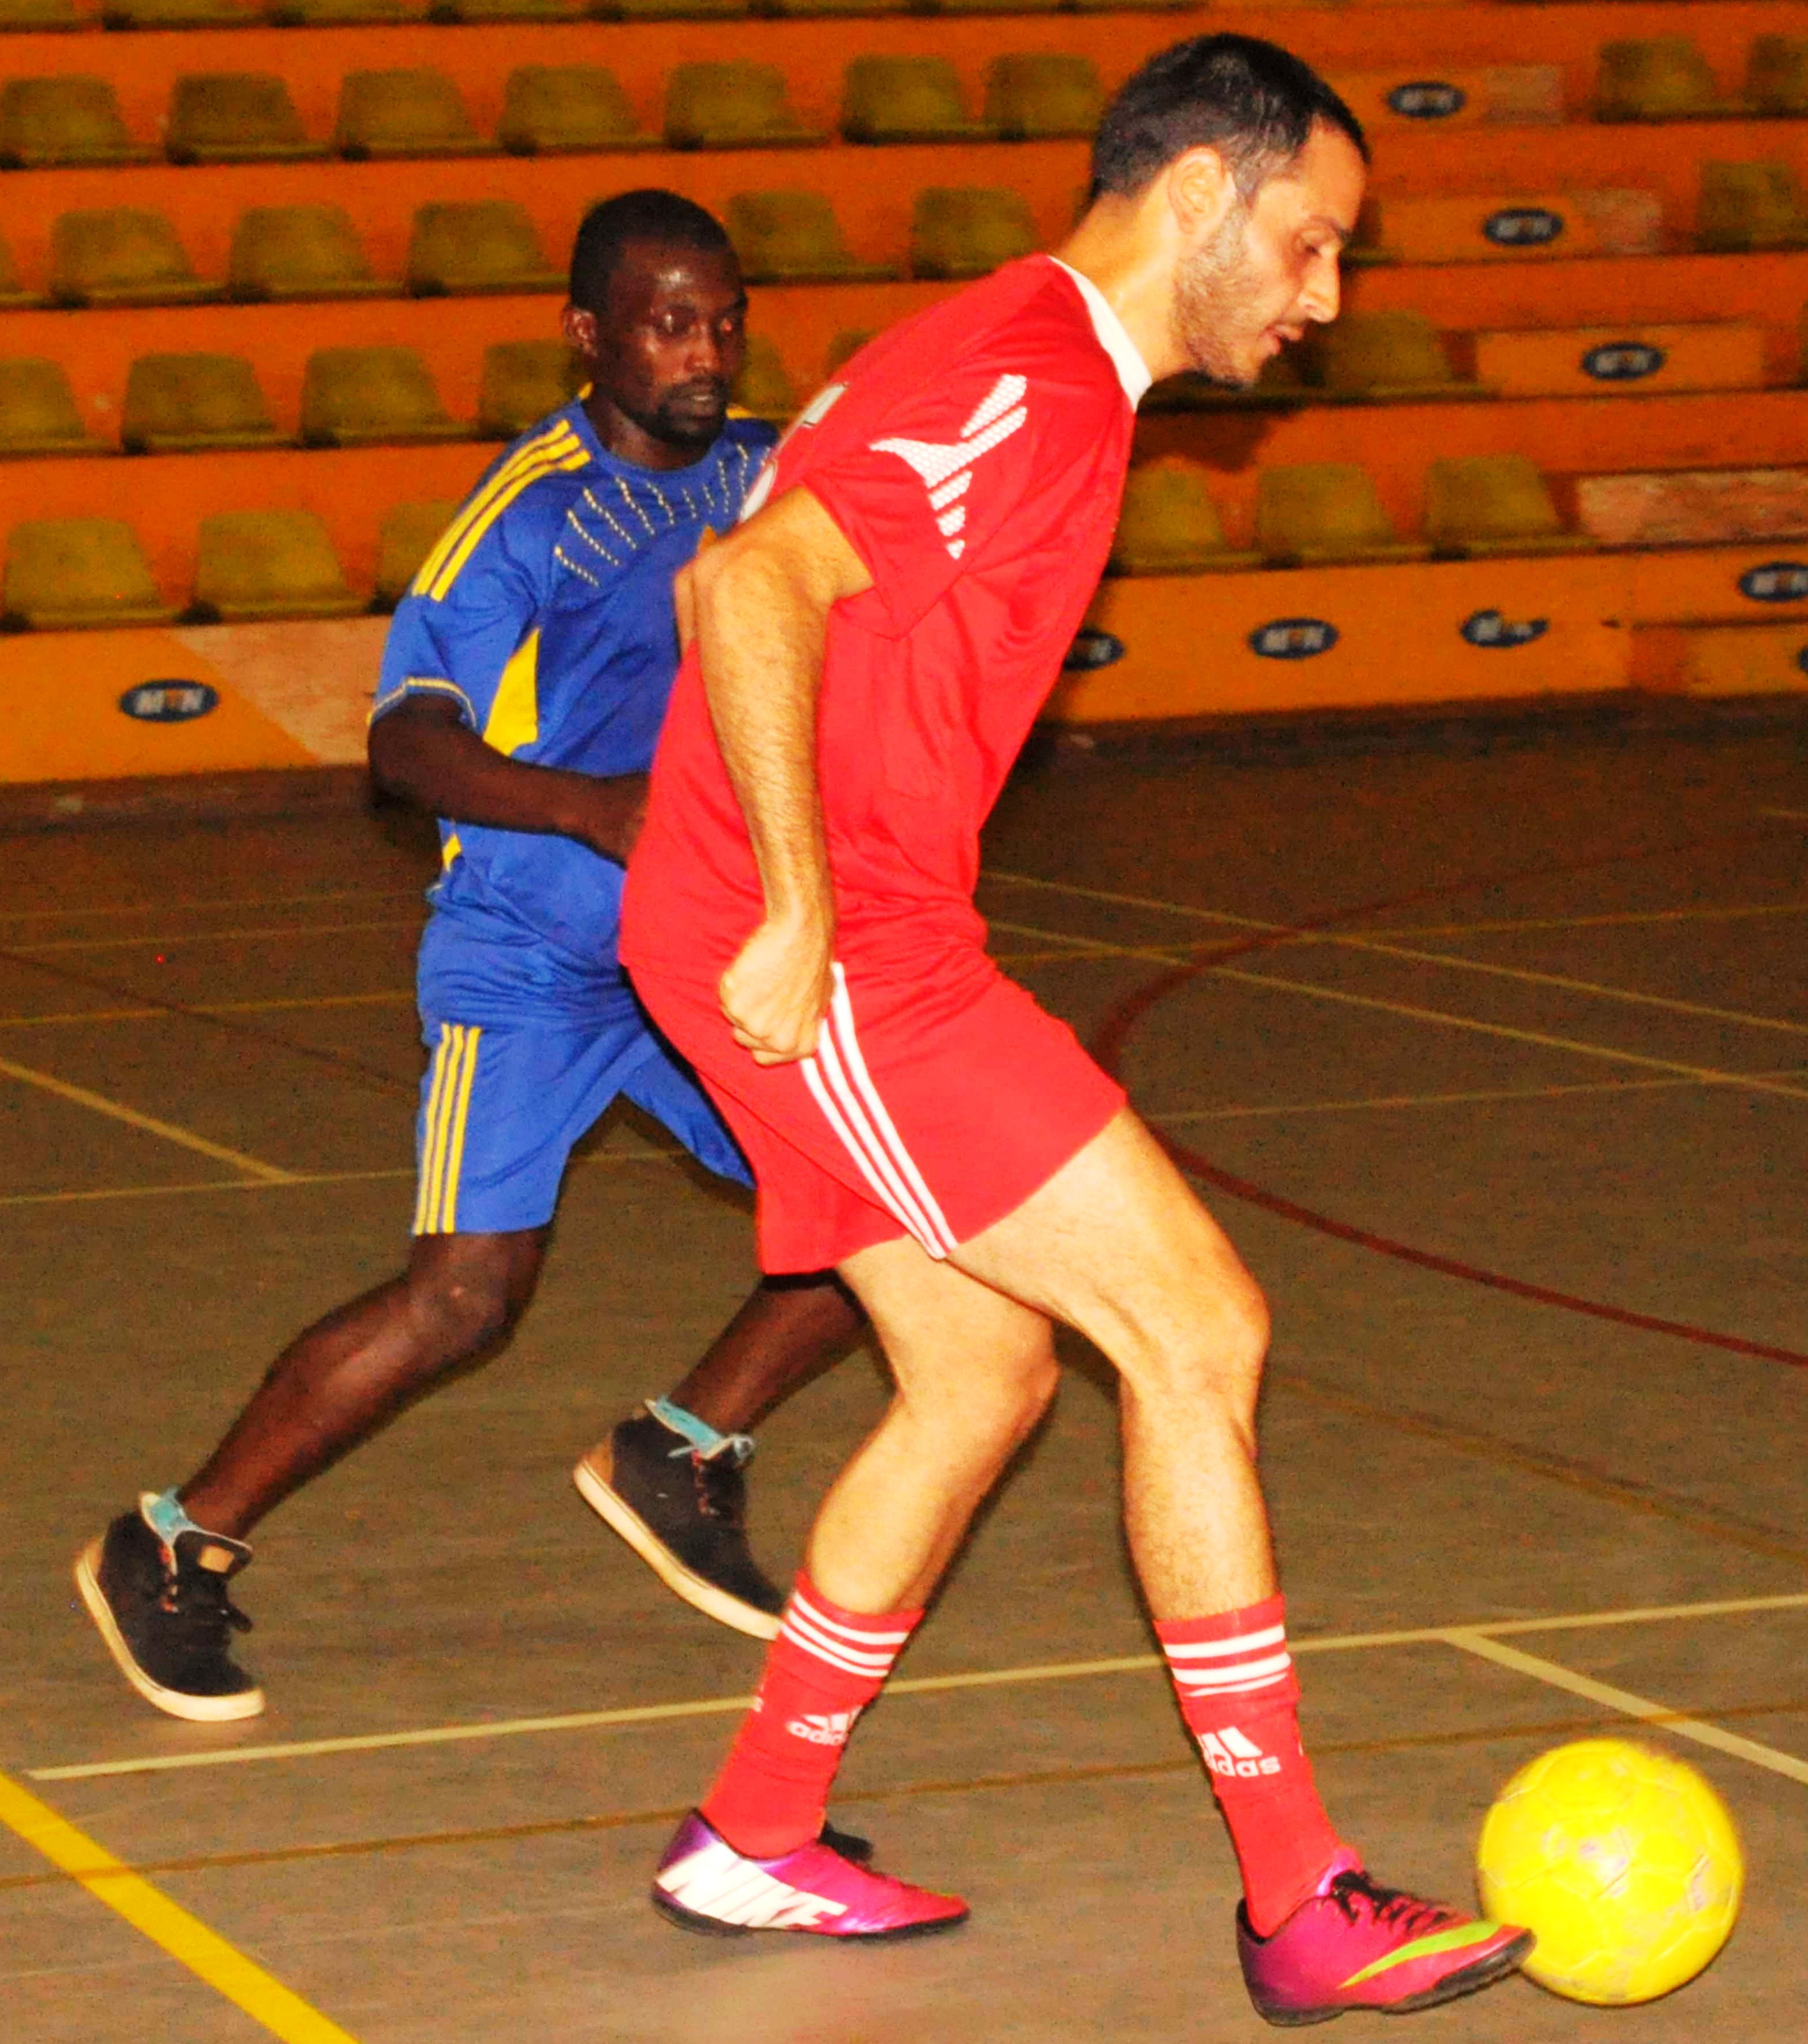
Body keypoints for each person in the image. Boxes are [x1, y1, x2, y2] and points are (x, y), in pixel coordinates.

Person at [619, 37, 1534, 2024]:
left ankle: (754, 1830)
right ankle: (1299, 1901)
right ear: (1199, 190)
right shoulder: (1029, 373)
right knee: (1198, 1331)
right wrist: (795, 900)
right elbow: (748, 580)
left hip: (835, 920)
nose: (1322, 297)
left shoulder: (1042, 372)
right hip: (839, 943)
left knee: (976, 1376)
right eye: (1311, 243)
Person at [75, 189, 865, 1727]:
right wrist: (593, 809)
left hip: (699, 942)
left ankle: (687, 1446)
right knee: (465, 1299)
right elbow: (403, 746)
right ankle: (169, 1546)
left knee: (894, 1198)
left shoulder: (772, 471)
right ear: (589, 334)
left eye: (724, 321)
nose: (702, 352)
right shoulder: (527, 515)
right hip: (535, 947)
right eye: (666, 322)